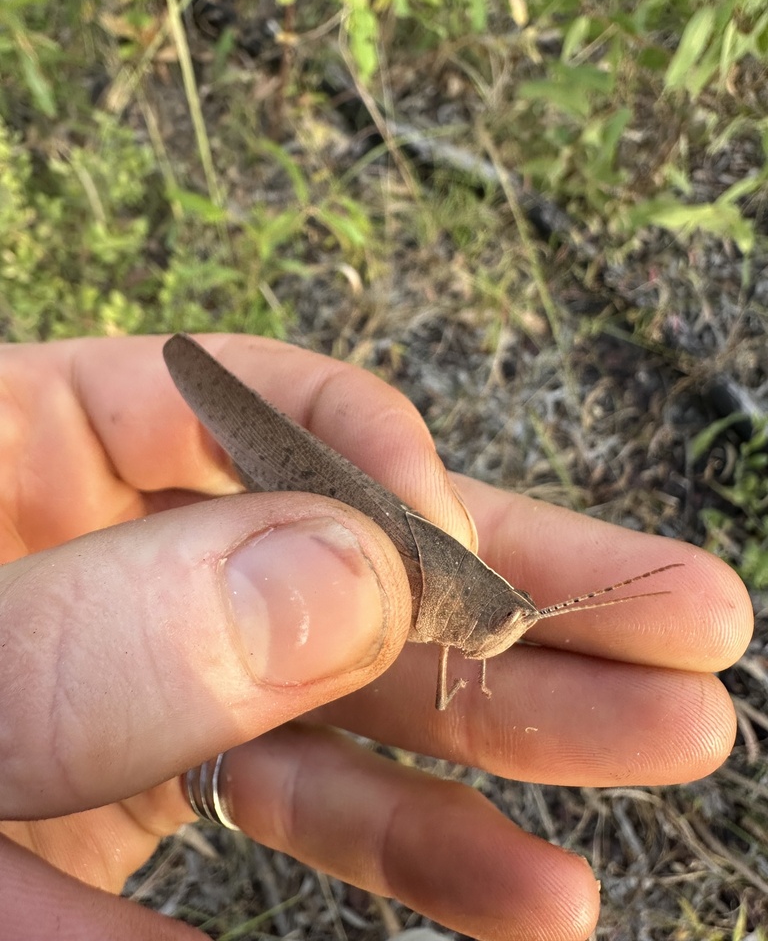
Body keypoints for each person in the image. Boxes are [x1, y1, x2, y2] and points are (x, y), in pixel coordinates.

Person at [0, 333, 752, 941]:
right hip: (309, 506)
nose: (505, 629)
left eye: (510, 619)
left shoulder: (477, 619)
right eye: (504, 618)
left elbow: (472, 644)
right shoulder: (437, 597)